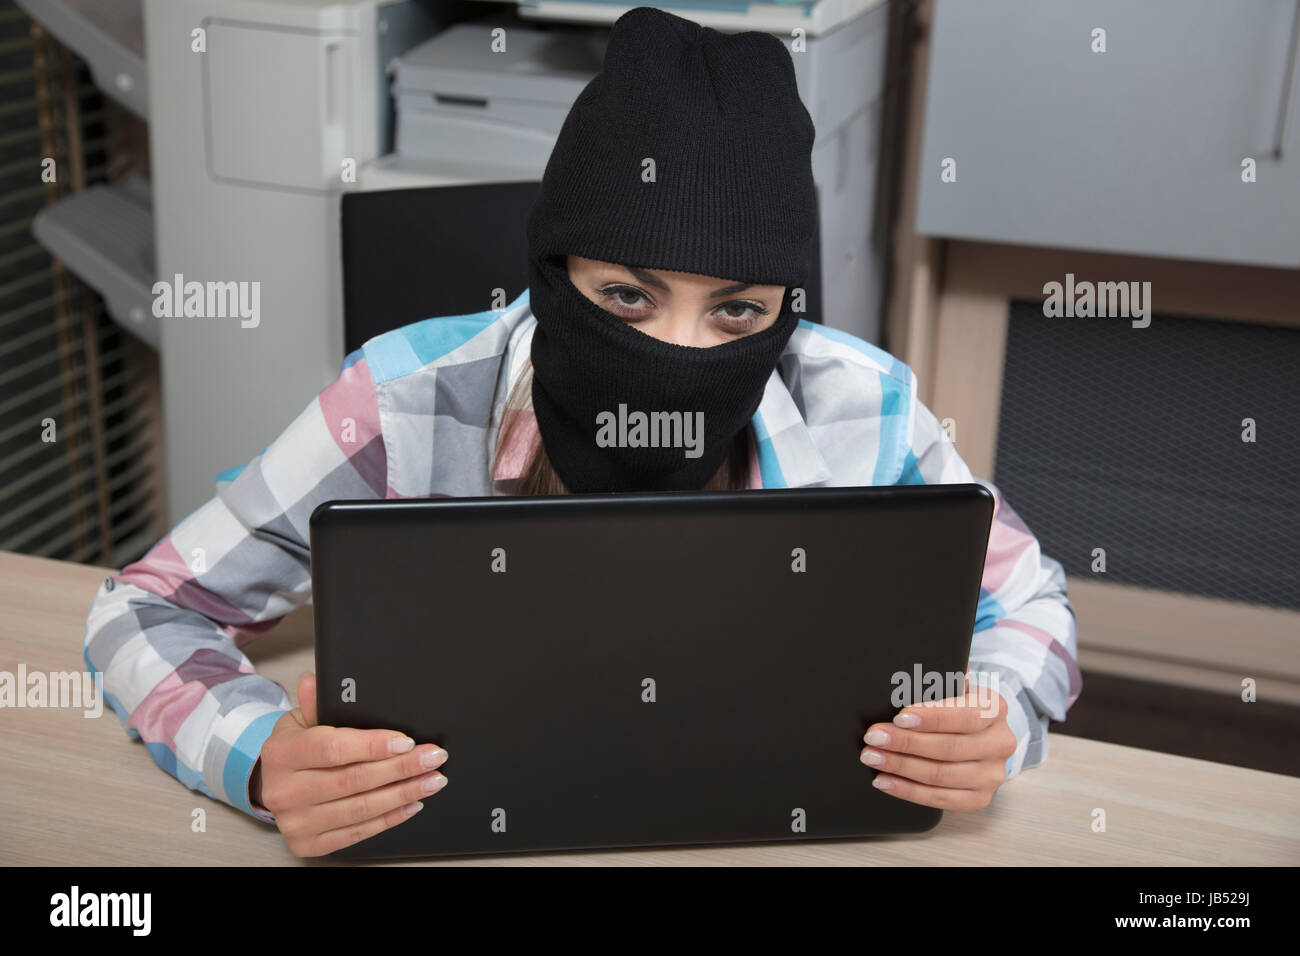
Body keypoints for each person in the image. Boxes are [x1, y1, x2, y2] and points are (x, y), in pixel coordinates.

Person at [82, 6, 1080, 858]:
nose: (678, 354)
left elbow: (1030, 600)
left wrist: (993, 715)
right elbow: (143, 607)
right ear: (554, 272)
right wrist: (259, 757)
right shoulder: (403, 398)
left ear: (786, 308)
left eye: (736, 311)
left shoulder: (863, 403)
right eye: (626, 296)